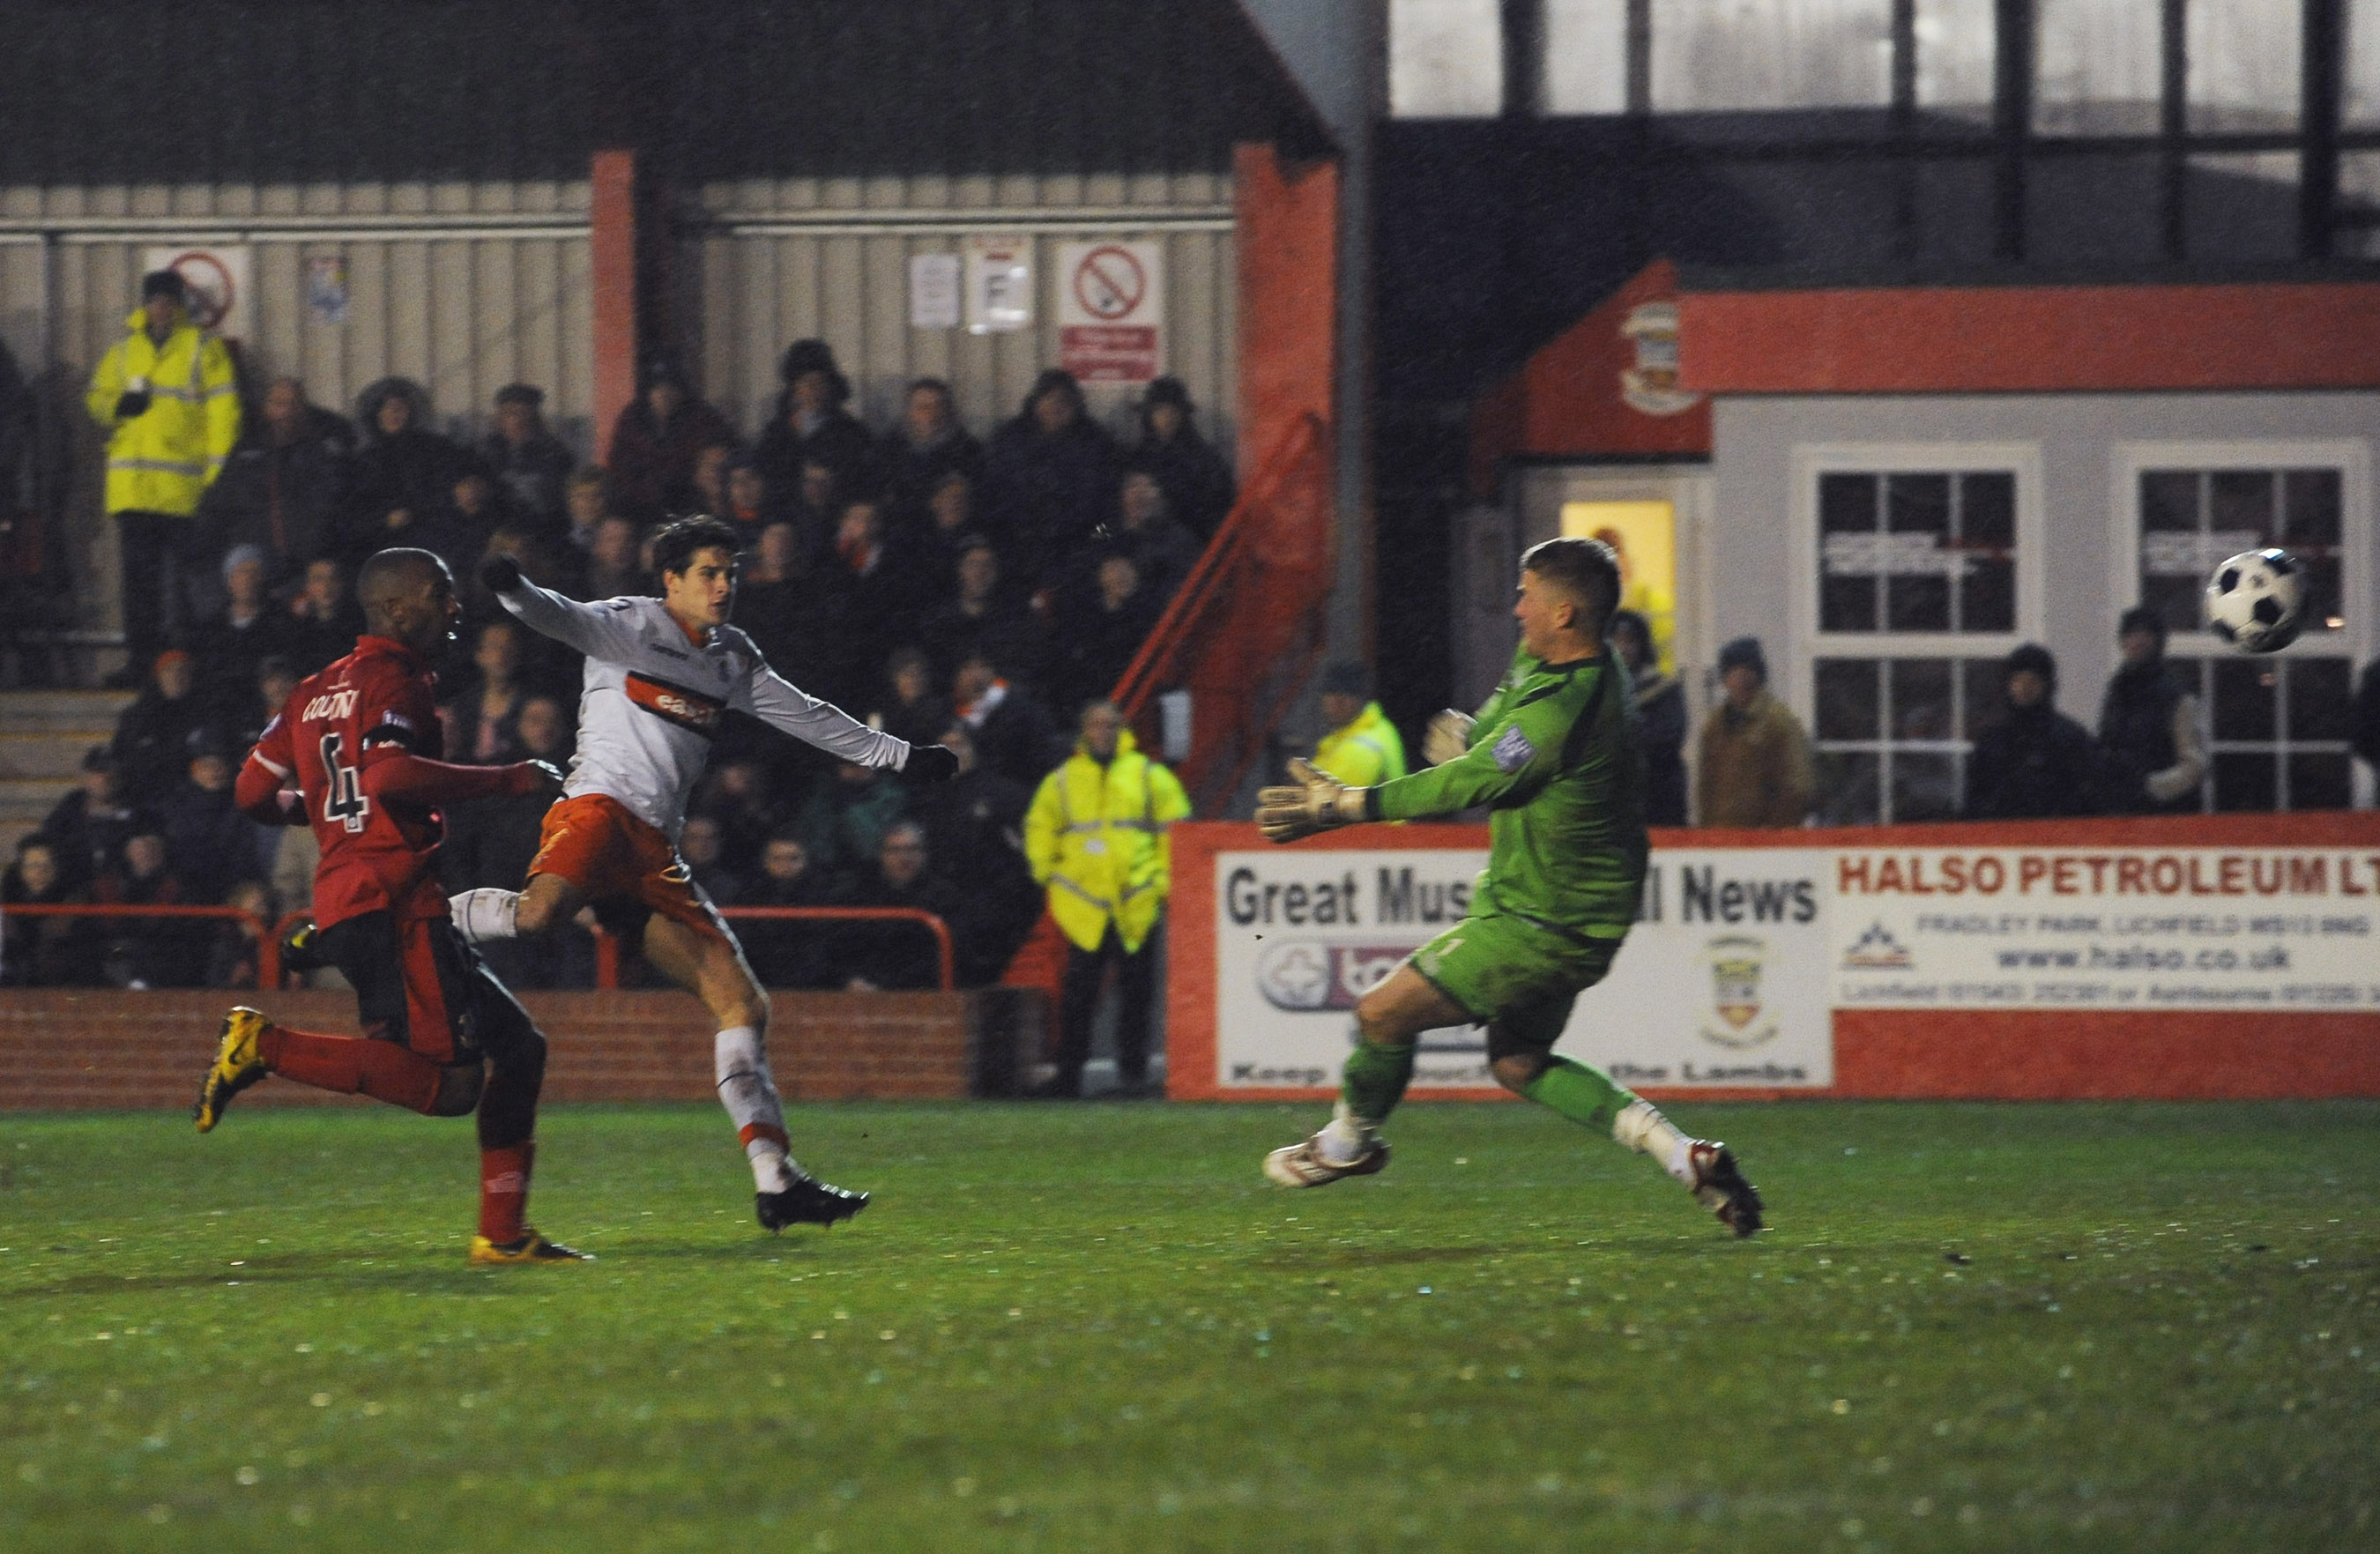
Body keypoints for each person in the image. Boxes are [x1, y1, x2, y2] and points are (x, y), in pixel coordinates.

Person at [453, 516, 963, 1231]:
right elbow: (555, 613)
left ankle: (775, 1179)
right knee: (537, 916)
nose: (725, 586)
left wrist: (901, 755)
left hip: (654, 851)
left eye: (731, 572)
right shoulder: (628, 624)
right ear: (671, 579)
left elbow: (808, 715)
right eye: (709, 573)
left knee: (743, 1005)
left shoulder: (731, 656)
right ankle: (411, 917)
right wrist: (511, 588)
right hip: (597, 813)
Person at [1252, 537, 1764, 1238]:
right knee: (1518, 1062)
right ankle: (1684, 1157)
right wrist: (1475, 732)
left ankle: (1347, 1144)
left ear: (1564, 613)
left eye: (1528, 596)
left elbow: (1475, 777)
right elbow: (1494, 734)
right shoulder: (1553, 659)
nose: (1516, 606)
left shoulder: (1571, 707)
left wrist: (1344, 806)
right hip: (1570, 914)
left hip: (1545, 921)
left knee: (1381, 1014)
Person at [197, 547, 584, 1265]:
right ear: (400, 607)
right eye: (441, 593)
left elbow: (252, 794)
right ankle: (263, 1045)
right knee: (452, 1084)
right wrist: (512, 779)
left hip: (358, 898)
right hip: (394, 902)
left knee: (520, 1047)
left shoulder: (310, 691)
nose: (454, 606)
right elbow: (391, 772)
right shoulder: (396, 678)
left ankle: (502, 1233)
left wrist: (319, 811)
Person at [1023, 700, 1190, 1098]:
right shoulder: (1064, 780)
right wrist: (1046, 872)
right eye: (1095, 725)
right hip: (1084, 907)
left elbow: (1178, 831)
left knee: (1137, 994)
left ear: (1122, 729)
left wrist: (1164, 883)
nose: (1103, 732)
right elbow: (1040, 826)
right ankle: (1069, 1078)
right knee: (1078, 997)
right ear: (1084, 730)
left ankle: (1132, 1075)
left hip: (1137, 902)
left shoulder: (1149, 776)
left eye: (1110, 725)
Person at [86, 270, 242, 680]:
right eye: (155, 300)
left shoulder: (202, 349)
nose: (161, 307)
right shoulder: (123, 351)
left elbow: (224, 414)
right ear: (146, 303)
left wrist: (214, 477)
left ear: (178, 305)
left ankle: (193, 665)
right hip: (133, 491)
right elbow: (96, 400)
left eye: (168, 300)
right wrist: (121, 405)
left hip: (183, 491)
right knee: (139, 588)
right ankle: (143, 664)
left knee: (191, 588)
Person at [197, 377, 353, 588]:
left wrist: (312, 545)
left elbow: (332, 506)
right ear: (266, 408)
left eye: (294, 403)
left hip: (308, 556)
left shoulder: (323, 452)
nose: (286, 411)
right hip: (254, 552)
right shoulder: (247, 450)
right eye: (279, 403)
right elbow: (221, 501)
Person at [983, 369, 1119, 588]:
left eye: (1064, 401)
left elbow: (1109, 512)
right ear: (1036, 401)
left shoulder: (1097, 445)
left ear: (1076, 405)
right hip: (1017, 555)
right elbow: (992, 498)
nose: (1056, 407)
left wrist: (1095, 545)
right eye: (1049, 399)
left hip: (1077, 558)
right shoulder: (1009, 440)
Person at [1965, 643, 2104, 820]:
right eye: (2018, 680)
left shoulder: (2070, 738)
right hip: (2002, 838)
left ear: (2046, 685)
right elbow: (1976, 800)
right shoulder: (1992, 740)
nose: (2024, 687)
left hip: (2057, 836)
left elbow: (2088, 799)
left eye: (2032, 681)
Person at [2097, 606, 2207, 814]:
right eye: (2132, 634)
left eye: (2146, 634)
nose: (2138, 641)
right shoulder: (2116, 691)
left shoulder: (2177, 697)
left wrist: (2150, 787)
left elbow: (2195, 765)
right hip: (2118, 812)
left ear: (2158, 641)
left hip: (2166, 814)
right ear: (2122, 641)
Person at [346, 378, 467, 566]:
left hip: (431, 542)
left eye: (400, 407)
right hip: (379, 548)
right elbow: (353, 511)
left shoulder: (437, 450)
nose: (394, 414)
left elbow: (446, 495)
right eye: (387, 408)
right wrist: (383, 521)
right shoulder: (362, 460)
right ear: (376, 413)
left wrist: (416, 514)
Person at [1694, 636, 1813, 828]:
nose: (1741, 678)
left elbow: (1799, 786)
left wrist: (1772, 832)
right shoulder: (1715, 726)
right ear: (1724, 678)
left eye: (1748, 670)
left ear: (1758, 674)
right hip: (1720, 840)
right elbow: (1706, 788)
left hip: (1764, 844)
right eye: (1734, 671)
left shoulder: (1779, 721)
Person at [838, 821, 970, 991]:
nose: (904, 857)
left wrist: (892, 987)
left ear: (924, 854)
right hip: (865, 995)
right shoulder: (860, 895)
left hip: (924, 994)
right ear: (881, 855)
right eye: (894, 850)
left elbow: (952, 954)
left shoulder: (945, 897)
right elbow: (846, 948)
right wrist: (852, 979)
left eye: (912, 849)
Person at [606, 359, 737, 523]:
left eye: (671, 387)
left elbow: (726, 455)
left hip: (691, 505)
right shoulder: (632, 421)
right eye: (657, 388)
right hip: (639, 508)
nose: (664, 394)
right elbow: (620, 467)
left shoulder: (702, 419)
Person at [754, 339, 873, 496]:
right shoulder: (776, 433)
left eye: (820, 382)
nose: (813, 391)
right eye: (807, 383)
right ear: (795, 388)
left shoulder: (852, 434)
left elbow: (861, 483)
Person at [1130, 376, 1235, 540]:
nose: (1167, 417)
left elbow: (1219, 512)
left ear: (1183, 415)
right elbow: (1111, 521)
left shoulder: (1205, 460)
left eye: (1173, 411)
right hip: (1141, 548)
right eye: (1160, 410)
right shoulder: (1134, 459)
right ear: (1149, 414)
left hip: (1189, 548)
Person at [874, 378, 985, 532]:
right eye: (923, 407)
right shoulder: (887, 449)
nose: (931, 414)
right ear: (909, 412)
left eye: (938, 406)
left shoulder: (969, 450)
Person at [1609, 610, 1686, 826]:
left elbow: (1669, 739)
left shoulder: (1663, 690)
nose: (1624, 649)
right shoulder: (1599, 693)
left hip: (1657, 797)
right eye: (1617, 642)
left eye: (1629, 642)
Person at [34, 746, 146, 893]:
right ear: (85, 777)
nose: (104, 778)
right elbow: (46, 842)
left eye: (110, 769)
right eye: (97, 771)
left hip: (125, 893)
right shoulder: (69, 808)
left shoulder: (139, 810)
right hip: (74, 890)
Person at [951, 648, 1062, 789]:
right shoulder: (952, 716)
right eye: (968, 669)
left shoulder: (1020, 708)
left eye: (983, 667)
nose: (976, 676)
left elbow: (1045, 753)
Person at [1, 839, 101, 987]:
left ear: (56, 868)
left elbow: (86, 956)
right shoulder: (7, 902)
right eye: (32, 866)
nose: (40, 872)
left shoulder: (76, 903)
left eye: (46, 865)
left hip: (66, 986)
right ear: (21, 870)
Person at [111, 650, 206, 806]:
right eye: (168, 670)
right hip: (143, 798)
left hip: (190, 801)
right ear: (158, 676)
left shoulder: (206, 715)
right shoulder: (136, 716)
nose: (176, 676)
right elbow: (121, 756)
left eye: (182, 670)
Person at [480, 384, 573, 532]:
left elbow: (554, 499)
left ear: (534, 416)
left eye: (522, 413)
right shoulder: (486, 450)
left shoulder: (554, 452)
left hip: (541, 529)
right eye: (509, 413)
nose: (516, 420)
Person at [1311, 662, 1408, 789]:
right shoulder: (1380, 725)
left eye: (1343, 697)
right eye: (1330, 695)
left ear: (1361, 698)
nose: (1334, 704)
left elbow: (1328, 801)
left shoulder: (1361, 748)